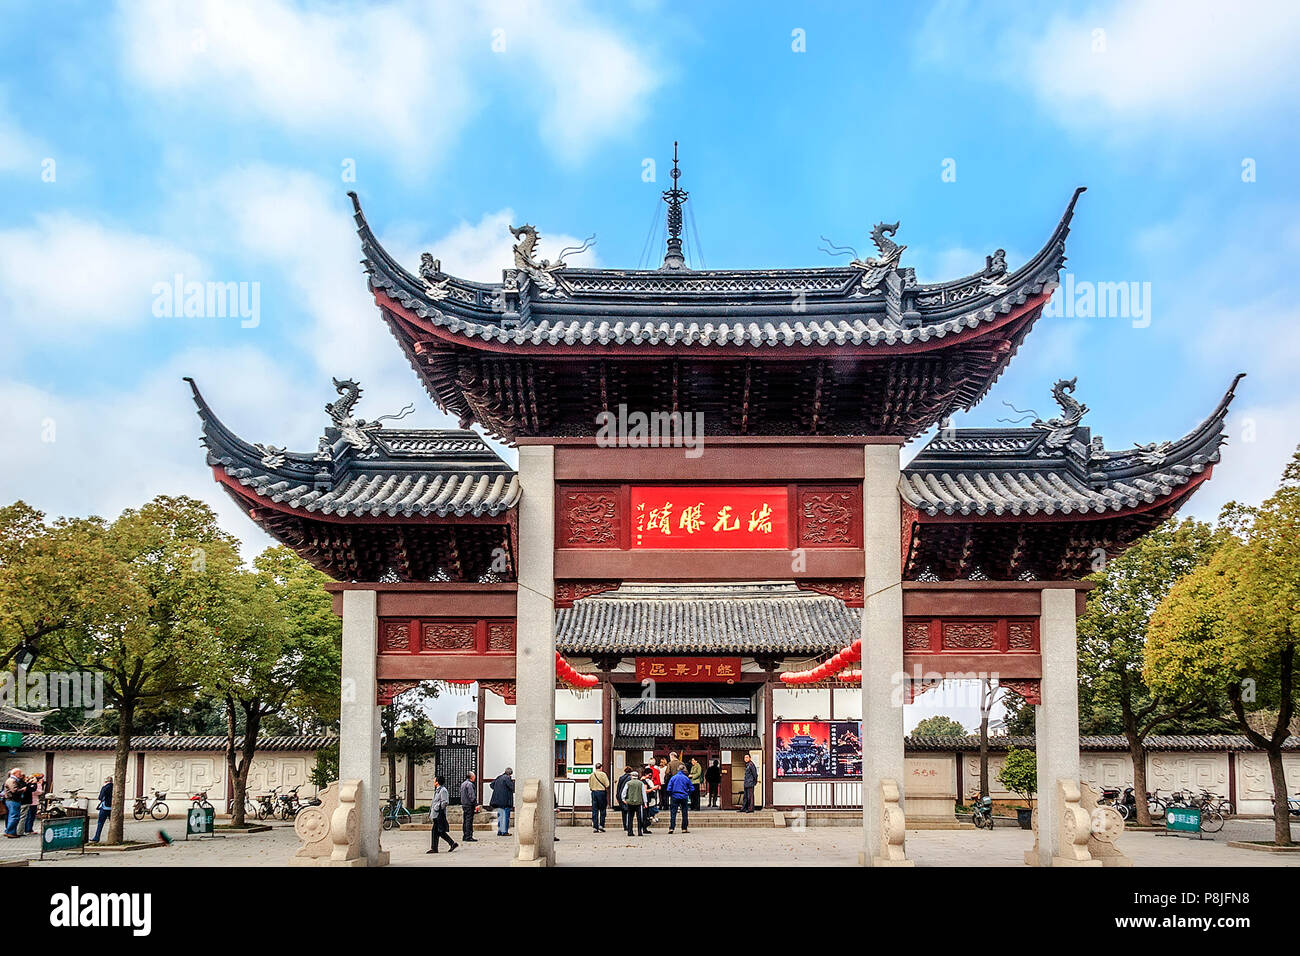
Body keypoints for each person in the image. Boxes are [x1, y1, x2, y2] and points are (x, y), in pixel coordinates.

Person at [427, 775, 457, 853]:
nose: (433, 781)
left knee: (437, 831)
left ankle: (435, 848)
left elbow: (445, 802)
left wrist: (437, 807)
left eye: (435, 780)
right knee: (438, 831)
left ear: (437, 782)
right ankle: (451, 844)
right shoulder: (437, 790)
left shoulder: (443, 790)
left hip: (439, 814)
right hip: (435, 814)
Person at [620, 766, 646, 836]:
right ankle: (640, 832)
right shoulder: (641, 783)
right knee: (639, 818)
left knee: (630, 817)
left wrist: (623, 799)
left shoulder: (628, 783)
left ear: (631, 776)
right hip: (638, 802)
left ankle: (630, 832)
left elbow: (624, 792)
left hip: (630, 802)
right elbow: (643, 793)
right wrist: (645, 803)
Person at [666, 763, 692, 833]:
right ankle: (684, 828)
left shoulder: (673, 778)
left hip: (674, 796)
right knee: (684, 813)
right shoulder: (686, 778)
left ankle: (671, 828)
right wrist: (687, 794)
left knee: (673, 813)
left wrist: (671, 794)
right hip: (684, 796)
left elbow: (668, 788)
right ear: (684, 770)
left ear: (678, 770)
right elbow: (691, 788)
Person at [489, 767, 515, 836]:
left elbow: (491, 785)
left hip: (498, 801)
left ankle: (500, 831)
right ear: (510, 774)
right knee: (506, 817)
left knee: (500, 816)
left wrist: (499, 789)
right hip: (506, 801)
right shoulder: (507, 778)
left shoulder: (499, 777)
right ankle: (504, 832)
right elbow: (512, 787)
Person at [2, 769, 25, 839]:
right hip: (13, 800)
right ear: (15, 773)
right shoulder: (12, 780)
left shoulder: (13, 780)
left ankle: (11, 831)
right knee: (14, 816)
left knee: (13, 816)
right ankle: (10, 832)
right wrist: (23, 790)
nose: (20, 775)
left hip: (12, 800)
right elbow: (14, 790)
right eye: (19, 773)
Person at [588, 763, 609, 833]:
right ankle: (601, 825)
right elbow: (607, 784)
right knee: (602, 809)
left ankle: (595, 827)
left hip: (594, 793)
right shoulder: (603, 774)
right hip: (601, 793)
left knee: (594, 810)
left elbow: (590, 785)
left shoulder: (592, 775)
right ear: (601, 768)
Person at [458, 772, 479, 843]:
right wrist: (476, 804)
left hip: (464, 804)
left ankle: (465, 835)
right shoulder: (470, 785)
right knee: (469, 821)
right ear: (471, 777)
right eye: (474, 776)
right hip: (469, 805)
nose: (475, 778)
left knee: (465, 820)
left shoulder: (463, 784)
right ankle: (468, 836)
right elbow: (471, 796)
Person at [91, 775, 112, 843]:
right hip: (112, 808)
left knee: (100, 823)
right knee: (112, 823)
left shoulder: (105, 787)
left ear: (105, 781)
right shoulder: (115, 787)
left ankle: (96, 837)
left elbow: (100, 797)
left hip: (105, 807)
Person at [614, 765, 633, 835]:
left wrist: (618, 796)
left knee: (623, 812)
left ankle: (625, 825)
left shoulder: (621, 778)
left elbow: (618, 787)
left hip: (621, 796)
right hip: (628, 796)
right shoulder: (630, 778)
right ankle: (628, 825)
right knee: (628, 811)